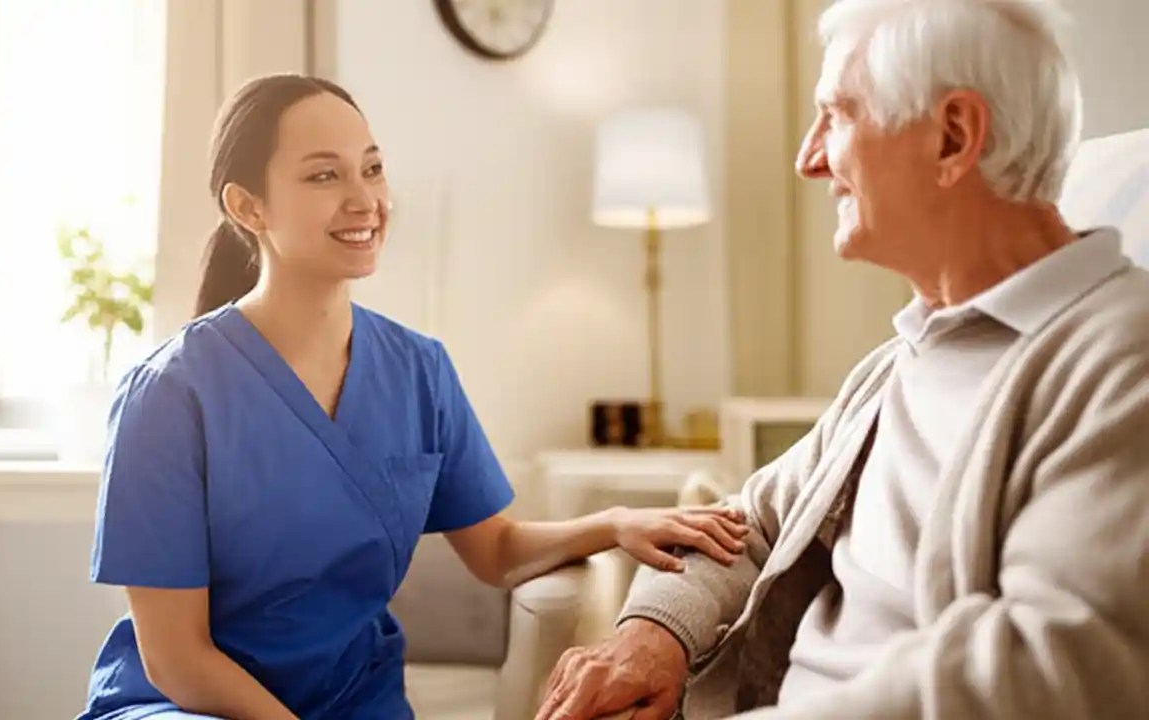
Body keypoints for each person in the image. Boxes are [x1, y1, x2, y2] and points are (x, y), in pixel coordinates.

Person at [536, 1, 1149, 718]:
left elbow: (1051, 667)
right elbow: (742, 526)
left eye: (838, 115)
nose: (810, 157)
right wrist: (651, 637)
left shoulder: (1117, 360)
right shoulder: (903, 361)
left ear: (953, 136)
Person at [75, 74, 751, 720]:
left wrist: (613, 525)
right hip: (189, 708)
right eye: (323, 175)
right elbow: (175, 657)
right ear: (247, 206)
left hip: (355, 706)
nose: (364, 198)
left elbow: (495, 550)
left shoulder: (419, 371)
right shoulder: (169, 394)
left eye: (371, 168)